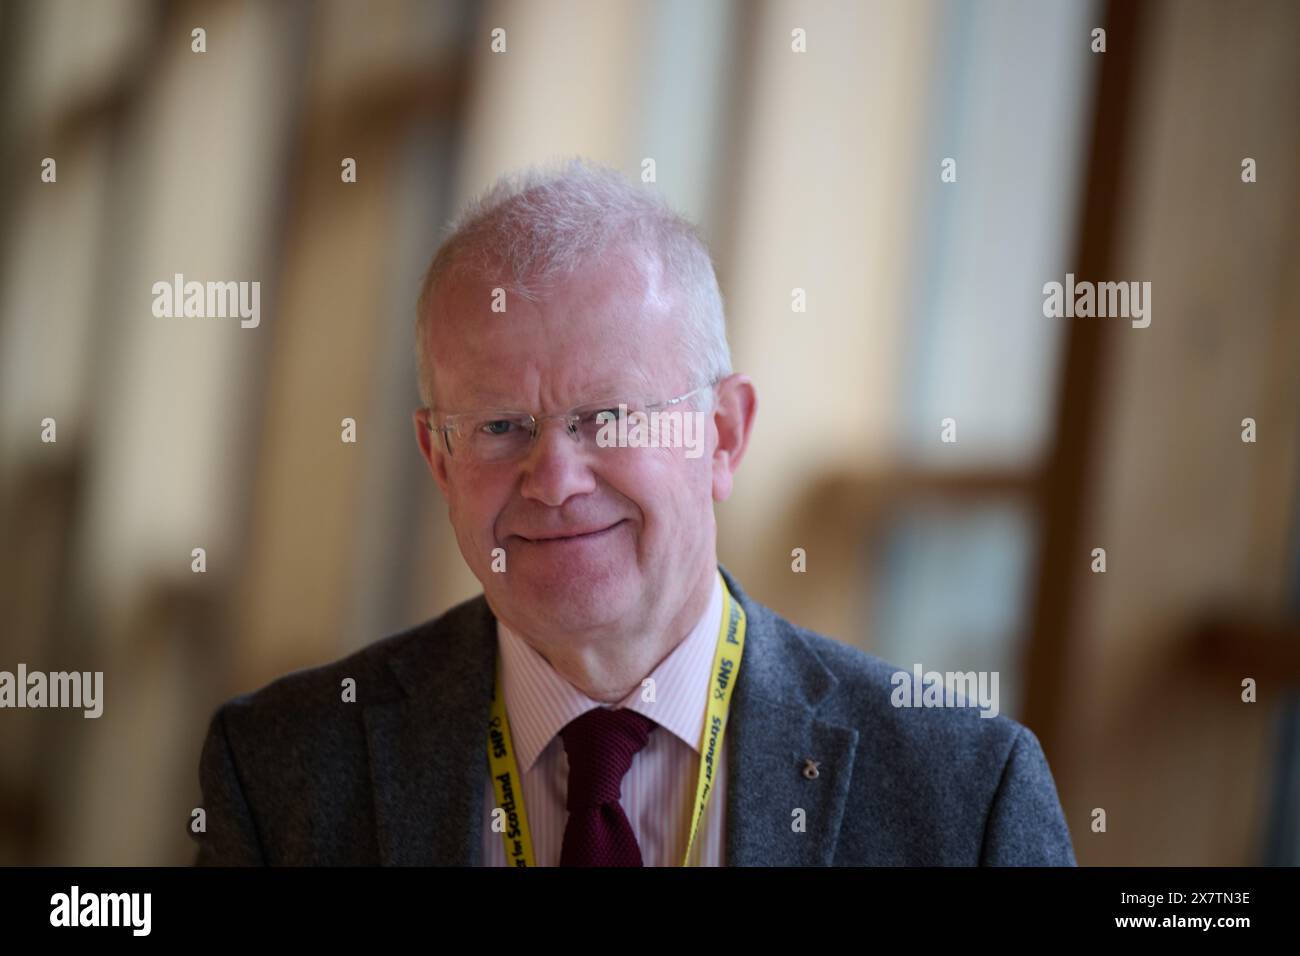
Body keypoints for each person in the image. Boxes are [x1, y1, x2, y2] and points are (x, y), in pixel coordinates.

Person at [193, 158, 1076, 866]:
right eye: (502, 426)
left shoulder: (964, 796)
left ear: (722, 435)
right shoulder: (284, 771)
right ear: (438, 458)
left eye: (606, 418)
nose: (555, 479)